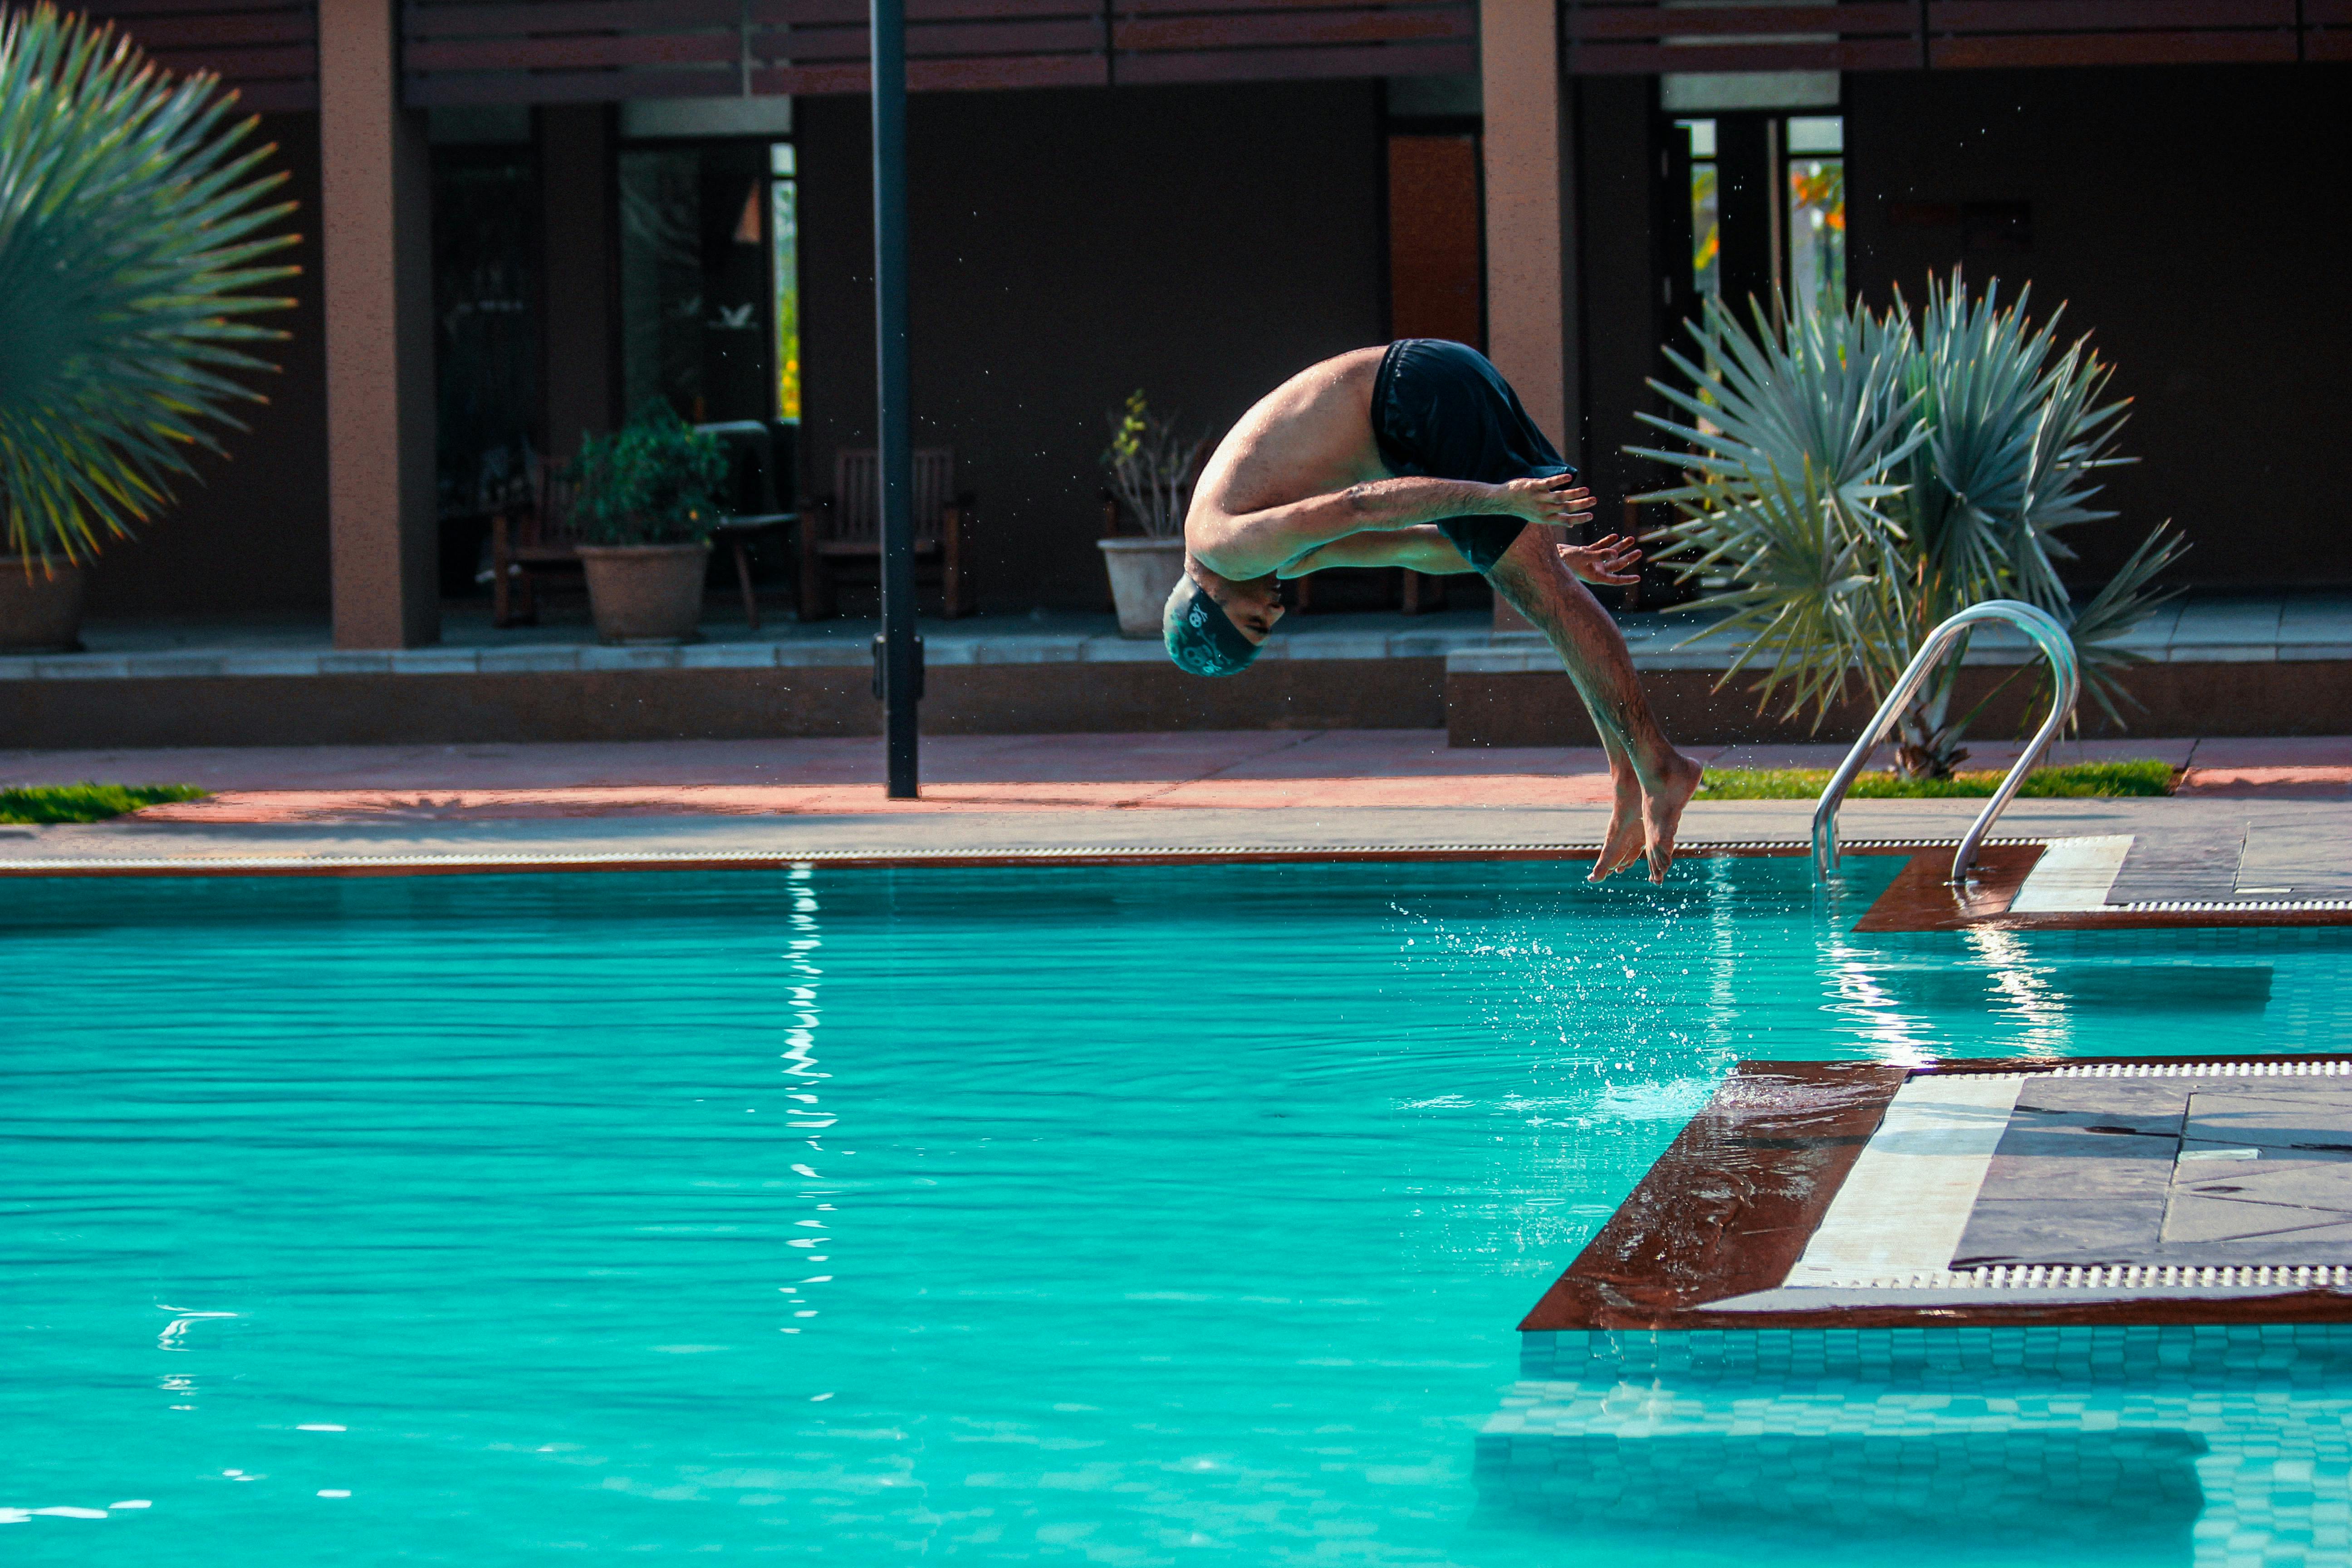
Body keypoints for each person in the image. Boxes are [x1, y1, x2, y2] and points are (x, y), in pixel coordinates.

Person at [1162, 339, 1703, 883]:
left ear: (1212, 601)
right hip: (1429, 378)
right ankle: (1629, 774)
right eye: (1267, 630)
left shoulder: (1227, 549)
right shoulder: (1263, 552)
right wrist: (1561, 555)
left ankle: (1660, 766)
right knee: (1546, 594)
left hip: (1410, 399)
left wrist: (1498, 499)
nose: (1276, 616)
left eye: (1255, 623)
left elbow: (1364, 504)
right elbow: (1409, 548)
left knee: (1547, 600)